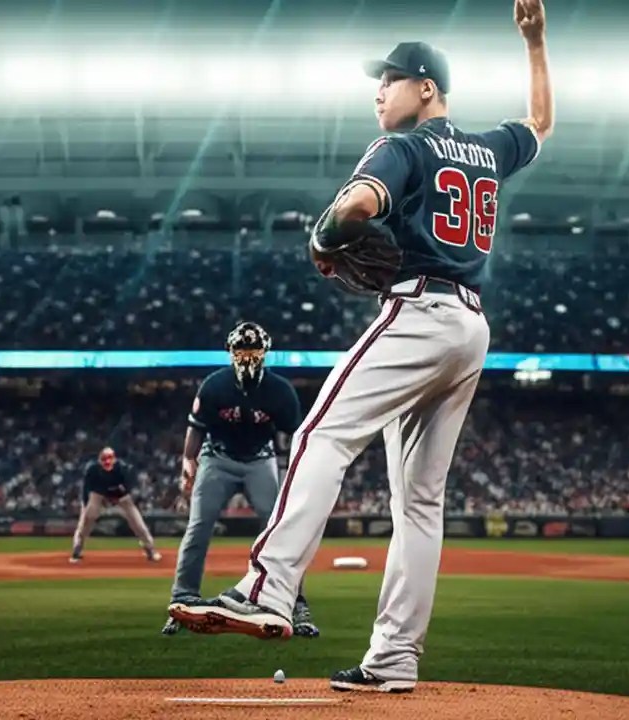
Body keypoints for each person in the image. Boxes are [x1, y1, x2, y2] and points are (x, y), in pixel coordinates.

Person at [170, 0, 554, 695]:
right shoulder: (488, 149)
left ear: (427, 89)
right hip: (471, 329)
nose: (379, 90)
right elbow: (541, 126)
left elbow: (355, 209)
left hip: (419, 309)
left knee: (323, 434)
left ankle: (269, 587)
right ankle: (394, 659)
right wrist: (535, 43)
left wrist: (325, 232)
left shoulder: (402, 147)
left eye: (391, 78)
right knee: (420, 503)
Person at [161, 322, 319, 637]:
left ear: (265, 352)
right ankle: (182, 598)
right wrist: (187, 464)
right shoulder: (214, 385)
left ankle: (295, 603)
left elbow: (297, 436)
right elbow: (196, 427)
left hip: (261, 459)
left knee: (279, 531)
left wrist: (299, 473)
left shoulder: (280, 391)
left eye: (253, 349)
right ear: (230, 351)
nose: (247, 356)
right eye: (241, 349)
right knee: (198, 526)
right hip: (217, 458)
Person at [70, 447, 162, 564]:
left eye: (109, 459)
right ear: (99, 460)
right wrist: (86, 507)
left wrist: (114, 499)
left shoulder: (122, 469)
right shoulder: (92, 469)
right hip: (97, 493)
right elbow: (86, 491)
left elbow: (128, 489)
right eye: (104, 460)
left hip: (118, 493)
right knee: (86, 520)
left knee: (137, 522)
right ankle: (77, 550)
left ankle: (150, 549)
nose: (107, 462)